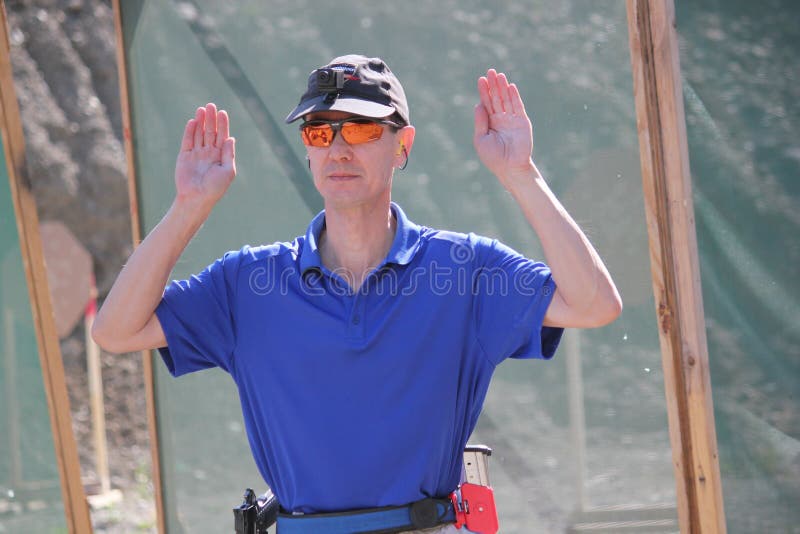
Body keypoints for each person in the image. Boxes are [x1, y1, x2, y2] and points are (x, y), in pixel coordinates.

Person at [93, 54, 622, 533]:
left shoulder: (463, 269)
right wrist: (190, 205)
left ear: (403, 146)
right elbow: (116, 331)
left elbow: (595, 304)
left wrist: (520, 173)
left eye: (363, 129)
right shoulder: (245, 282)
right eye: (320, 131)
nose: (339, 148)